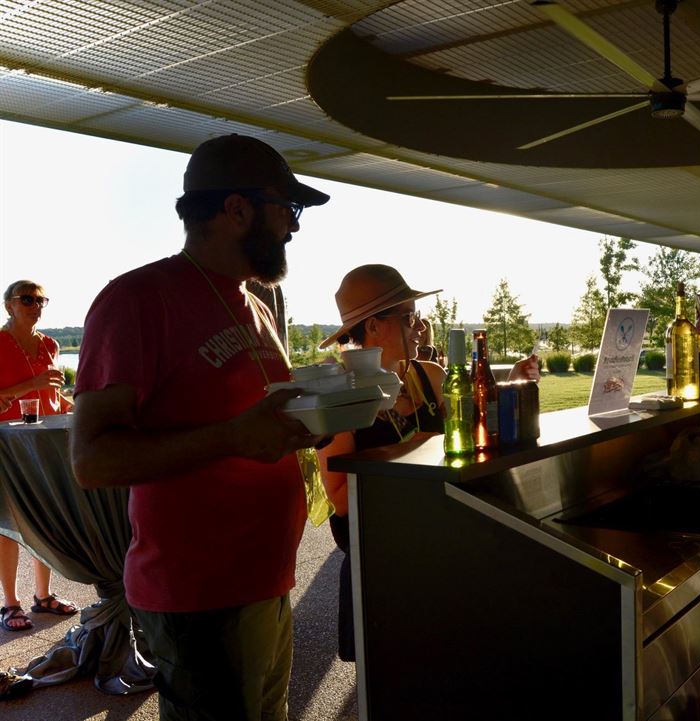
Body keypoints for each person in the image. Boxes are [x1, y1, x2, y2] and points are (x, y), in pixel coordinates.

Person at [70, 134, 330, 721]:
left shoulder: (255, 304)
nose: (293, 227)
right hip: (198, 594)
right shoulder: (137, 299)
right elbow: (91, 459)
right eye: (286, 208)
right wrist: (233, 437)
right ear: (236, 209)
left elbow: (254, 422)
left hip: (266, 577)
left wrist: (310, 421)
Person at [315, 264, 540, 662]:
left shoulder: (429, 375)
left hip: (437, 548)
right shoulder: (337, 392)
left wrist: (512, 386)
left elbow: (473, 427)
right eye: (408, 316)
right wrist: (418, 453)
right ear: (374, 326)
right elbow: (341, 497)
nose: (419, 326)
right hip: (380, 562)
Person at [0, 280, 78, 632]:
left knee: (43, 519)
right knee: (9, 524)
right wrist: (32, 385)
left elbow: (52, 396)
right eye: (27, 299)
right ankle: (10, 604)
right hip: (8, 444)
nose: (36, 305)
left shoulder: (50, 344)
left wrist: (74, 406)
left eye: (41, 300)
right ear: (9, 306)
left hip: (45, 444)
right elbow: (34, 387)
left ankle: (43, 596)